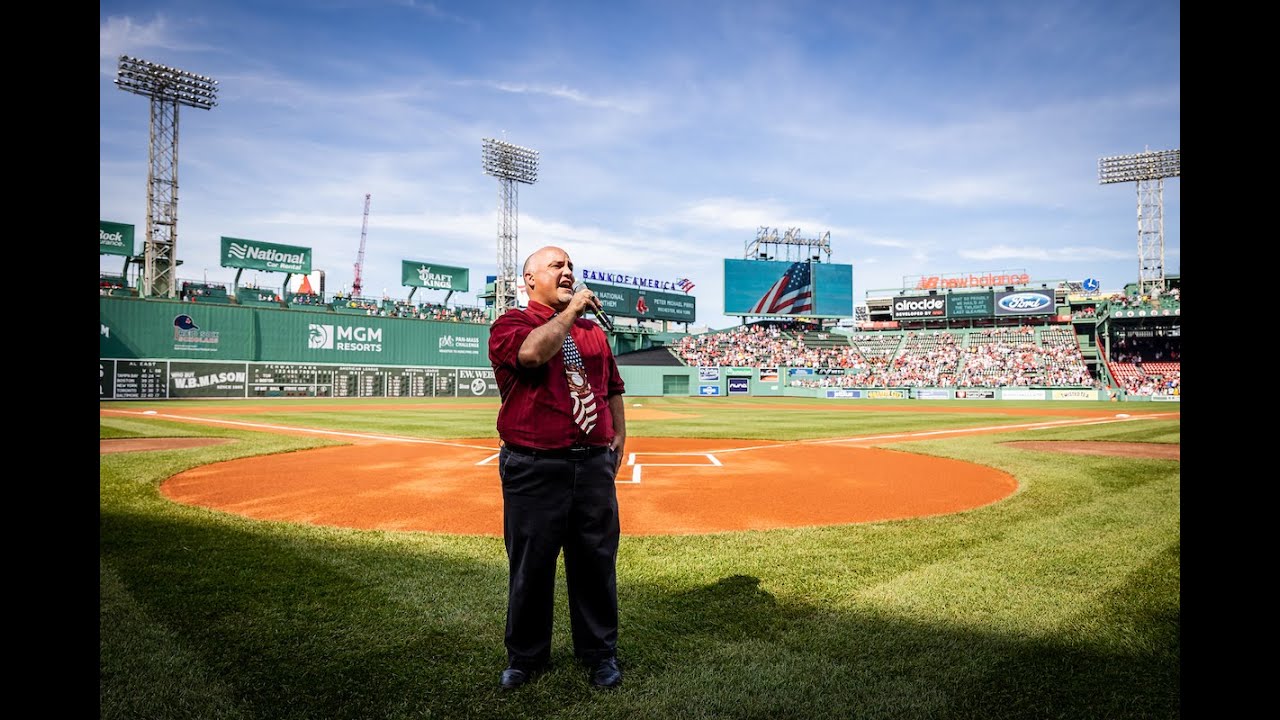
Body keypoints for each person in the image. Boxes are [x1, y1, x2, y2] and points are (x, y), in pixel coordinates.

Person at [487, 245, 627, 690]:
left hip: (591, 467)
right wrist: (570, 313)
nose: (568, 273)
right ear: (530, 280)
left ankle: (600, 653)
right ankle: (525, 658)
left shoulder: (593, 334)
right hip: (534, 466)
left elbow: (612, 389)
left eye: (570, 266)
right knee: (532, 566)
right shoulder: (512, 324)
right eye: (556, 266)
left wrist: (618, 437)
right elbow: (531, 355)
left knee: (596, 563)